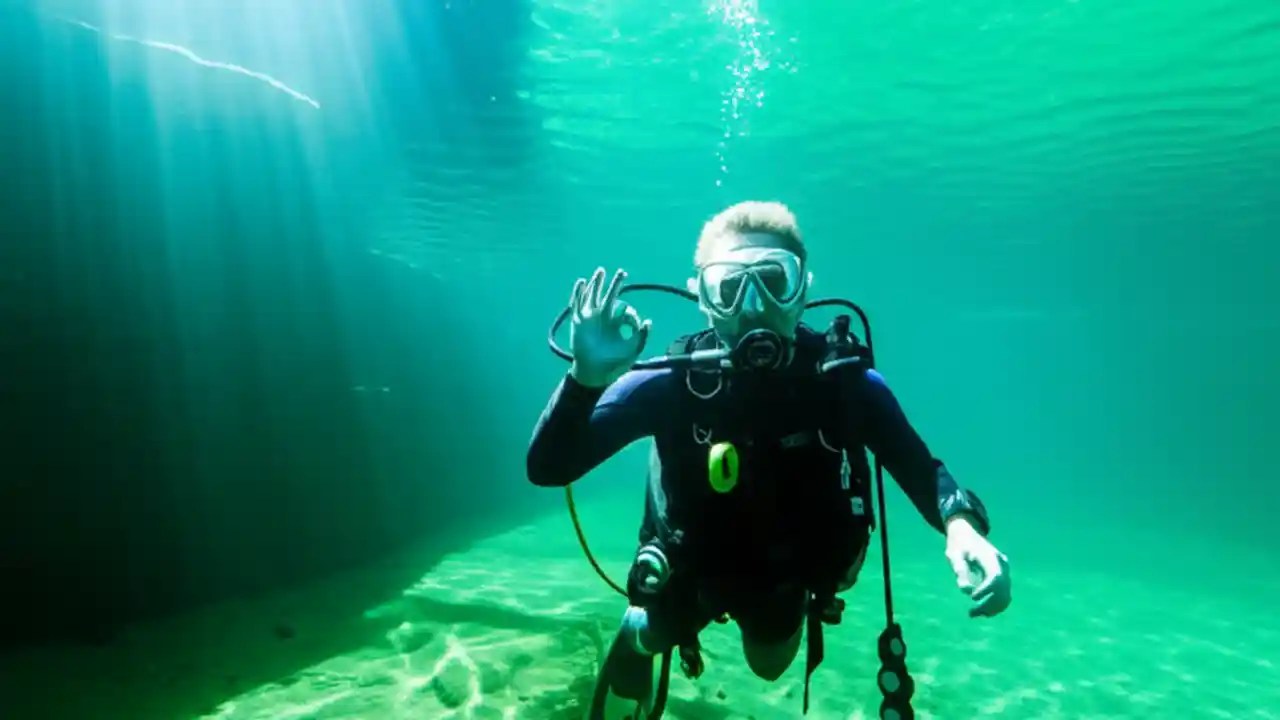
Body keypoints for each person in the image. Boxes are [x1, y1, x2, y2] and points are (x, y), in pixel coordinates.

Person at [526, 201, 1012, 720]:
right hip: (695, 564)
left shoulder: (844, 384)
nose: (753, 307)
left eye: (773, 281)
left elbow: (919, 466)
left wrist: (961, 526)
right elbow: (550, 467)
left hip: (790, 570)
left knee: (771, 664)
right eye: (729, 288)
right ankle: (639, 635)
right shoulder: (672, 387)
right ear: (702, 299)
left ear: (802, 290)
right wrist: (584, 380)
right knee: (659, 630)